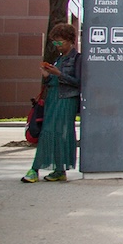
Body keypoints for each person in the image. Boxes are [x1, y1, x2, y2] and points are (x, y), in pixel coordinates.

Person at [21, 23, 81, 183]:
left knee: (53, 132)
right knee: (52, 133)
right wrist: (48, 76)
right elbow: (53, 82)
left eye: (60, 42)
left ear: (70, 40)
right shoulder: (59, 59)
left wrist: (59, 74)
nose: (58, 46)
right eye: (55, 43)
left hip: (66, 101)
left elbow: (78, 82)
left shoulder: (76, 58)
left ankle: (35, 169)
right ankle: (59, 170)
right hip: (53, 99)